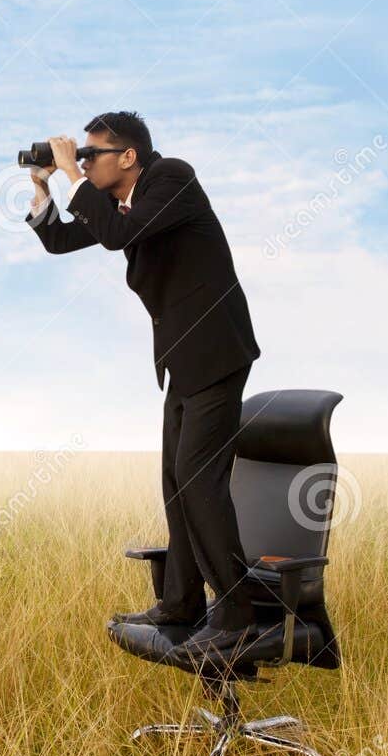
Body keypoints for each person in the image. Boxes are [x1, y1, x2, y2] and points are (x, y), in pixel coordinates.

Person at [25, 112, 262, 665]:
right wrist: (44, 189)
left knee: (199, 480)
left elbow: (119, 237)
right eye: (78, 155)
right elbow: (62, 240)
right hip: (183, 359)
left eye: (91, 155)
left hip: (217, 353)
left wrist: (73, 178)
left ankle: (236, 616)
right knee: (177, 481)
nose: (82, 162)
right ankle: (180, 603)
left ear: (127, 156)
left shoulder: (171, 178)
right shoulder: (119, 205)